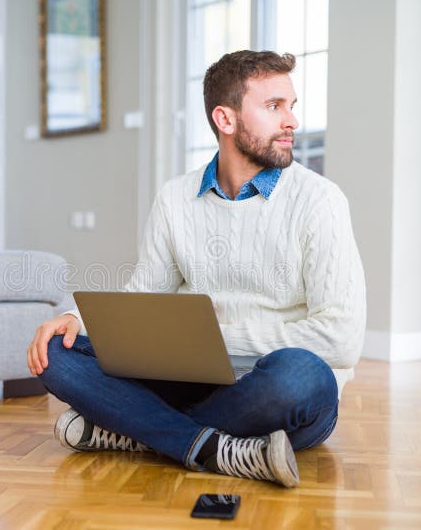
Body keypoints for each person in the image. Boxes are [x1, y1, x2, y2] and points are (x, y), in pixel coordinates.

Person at [26, 50, 366, 488]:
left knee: (302, 375)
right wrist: (74, 317)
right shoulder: (175, 198)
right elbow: (145, 291)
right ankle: (214, 448)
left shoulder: (320, 201)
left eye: (291, 107)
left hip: (275, 394)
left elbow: (341, 340)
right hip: (192, 376)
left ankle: (137, 431)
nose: (292, 122)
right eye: (273, 107)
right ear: (225, 120)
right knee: (56, 352)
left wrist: (214, 338)